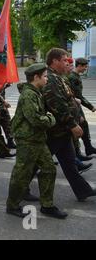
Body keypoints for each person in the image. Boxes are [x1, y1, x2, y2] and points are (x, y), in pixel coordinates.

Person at [6, 63, 67, 219]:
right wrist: (51, 118)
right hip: (27, 140)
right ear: (36, 77)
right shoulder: (28, 95)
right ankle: (12, 205)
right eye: (45, 76)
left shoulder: (36, 92)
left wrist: (46, 117)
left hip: (37, 139)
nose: (47, 78)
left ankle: (47, 205)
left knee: (48, 169)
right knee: (22, 174)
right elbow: (36, 120)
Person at [43, 48, 96, 202]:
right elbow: (57, 105)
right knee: (36, 162)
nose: (67, 63)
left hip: (62, 130)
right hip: (55, 130)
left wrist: (76, 117)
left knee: (70, 163)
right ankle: (20, 189)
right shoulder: (51, 78)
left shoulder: (58, 77)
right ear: (55, 61)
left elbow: (70, 100)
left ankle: (82, 191)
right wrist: (73, 124)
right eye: (64, 60)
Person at [68, 57, 96, 157]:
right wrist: (91, 107)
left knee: (83, 125)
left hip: (76, 105)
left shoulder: (75, 76)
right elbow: (78, 96)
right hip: (74, 106)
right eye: (85, 67)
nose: (86, 69)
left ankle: (87, 148)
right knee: (78, 128)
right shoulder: (73, 78)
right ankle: (78, 154)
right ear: (79, 66)